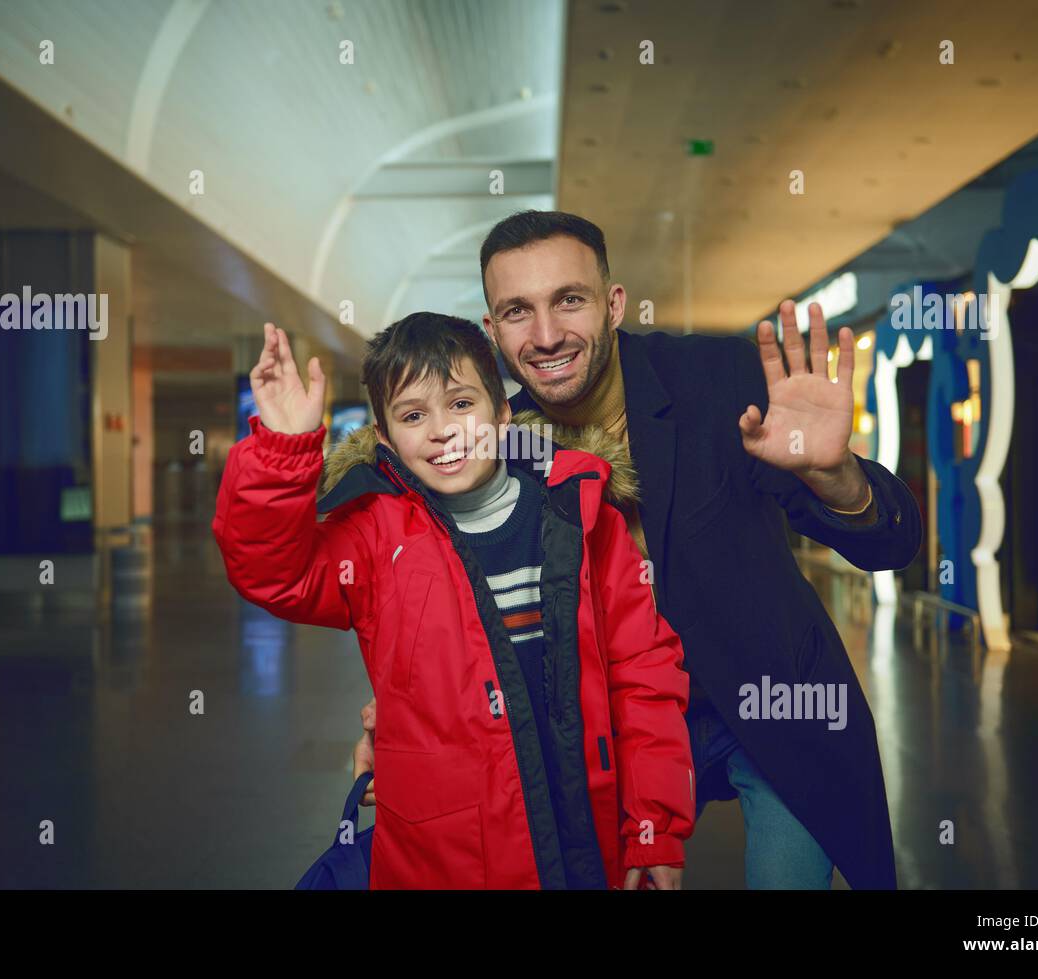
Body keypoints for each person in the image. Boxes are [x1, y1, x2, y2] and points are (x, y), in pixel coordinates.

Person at [357, 211, 922, 890]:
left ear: (614, 303)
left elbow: (891, 542)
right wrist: (401, 713)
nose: (545, 335)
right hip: (615, 723)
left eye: (569, 299)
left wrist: (838, 476)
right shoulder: (492, 441)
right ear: (491, 330)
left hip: (771, 704)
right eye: (517, 311)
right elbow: (446, 595)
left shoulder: (720, 379)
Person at [213, 314, 695, 889]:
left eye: (461, 404)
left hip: (585, 843)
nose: (443, 431)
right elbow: (272, 572)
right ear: (386, 439)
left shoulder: (580, 515)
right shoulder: (374, 537)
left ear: (502, 413)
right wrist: (282, 450)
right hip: (444, 859)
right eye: (414, 416)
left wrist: (653, 827)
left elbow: (642, 676)